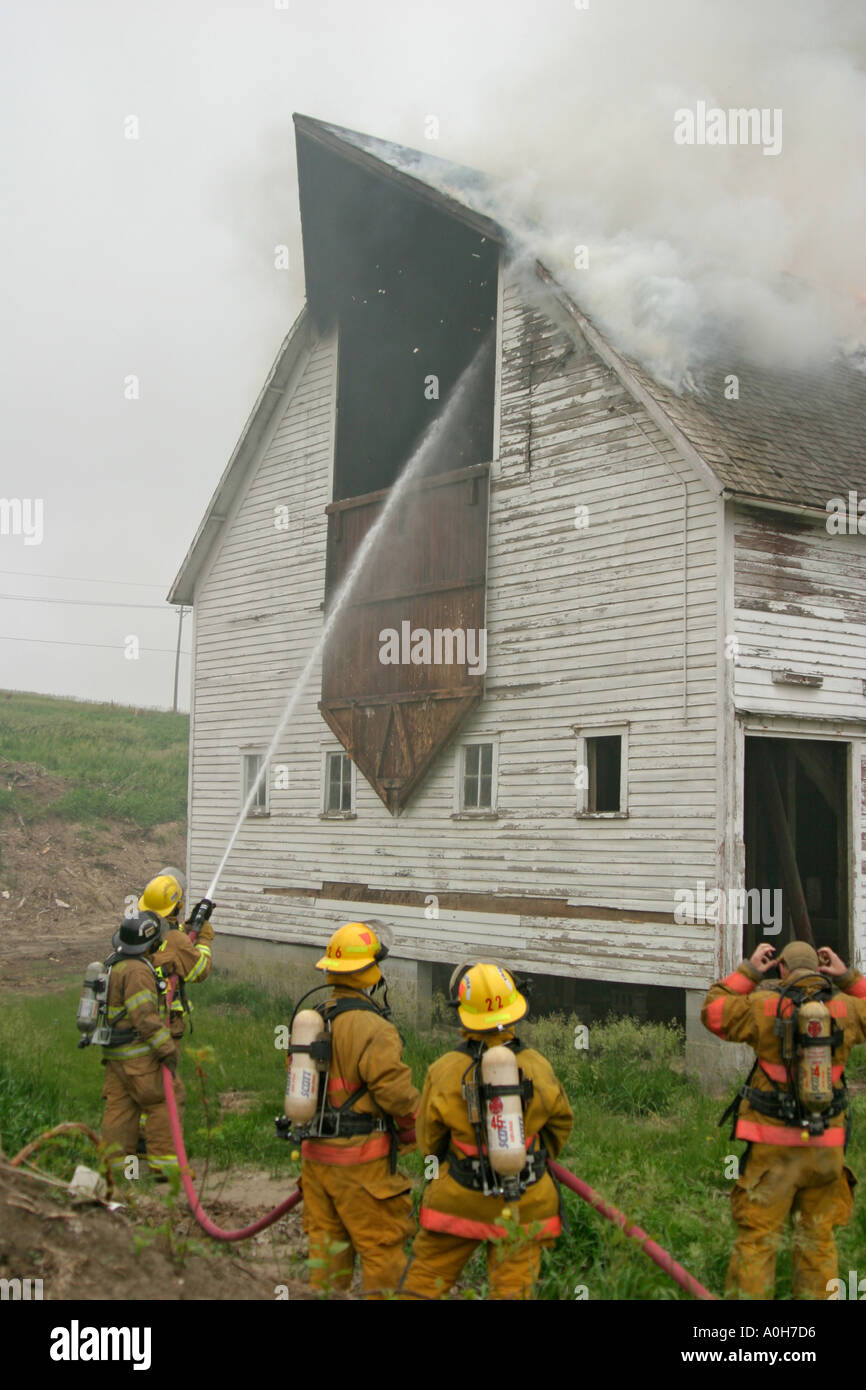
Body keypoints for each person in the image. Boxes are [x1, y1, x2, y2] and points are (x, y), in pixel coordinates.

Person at [398, 962, 573, 1300]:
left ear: (463, 1012)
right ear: (514, 1009)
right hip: (526, 1202)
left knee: (423, 1282)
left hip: (458, 1198)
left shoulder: (445, 1069)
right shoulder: (537, 1065)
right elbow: (561, 1122)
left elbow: (429, 1141)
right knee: (513, 1292)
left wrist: (445, 1162)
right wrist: (529, 1156)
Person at [703, 939, 866, 1299]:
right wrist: (849, 977)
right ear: (821, 969)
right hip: (825, 1154)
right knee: (818, 1241)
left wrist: (749, 970)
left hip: (772, 1157)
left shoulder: (762, 1006)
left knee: (758, 1242)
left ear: (780, 969)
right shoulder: (847, 1009)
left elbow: (713, 1011)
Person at [292, 921, 420, 1298]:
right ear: (371, 973)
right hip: (362, 1165)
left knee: (327, 1257)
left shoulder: (313, 1020)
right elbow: (394, 1093)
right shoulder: (374, 1028)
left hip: (316, 1161)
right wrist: (416, 1129)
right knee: (382, 1254)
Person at [100, 909, 183, 1181]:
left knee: (121, 1110)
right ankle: (165, 1166)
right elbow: (144, 1018)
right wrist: (167, 1049)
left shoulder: (114, 964)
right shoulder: (137, 972)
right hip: (138, 1057)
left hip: (116, 1057)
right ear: (151, 944)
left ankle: (114, 1171)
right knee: (165, 1099)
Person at [138, 869, 214, 1041]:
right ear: (177, 906)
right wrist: (204, 938)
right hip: (164, 1021)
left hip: (137, 1017)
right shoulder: (176, 940)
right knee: (161, 1067)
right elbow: (200, 971)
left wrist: (188, 928)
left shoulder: (140, 929)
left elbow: (168, 941)